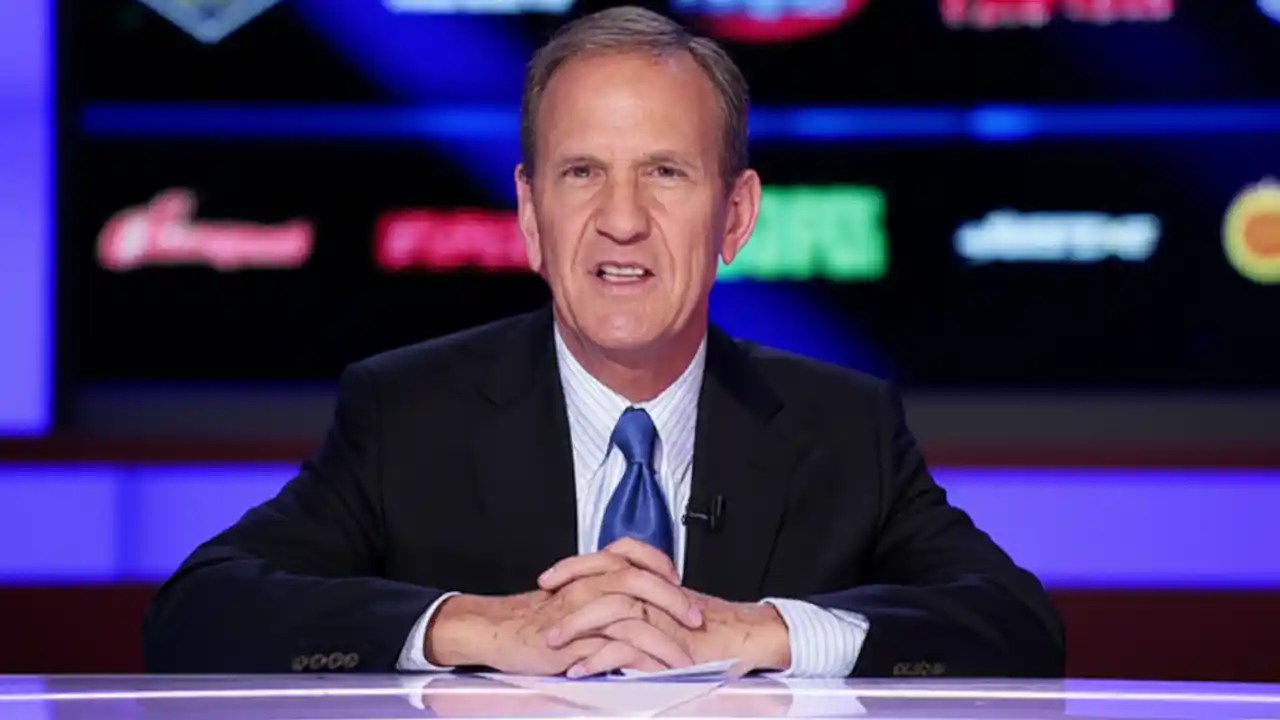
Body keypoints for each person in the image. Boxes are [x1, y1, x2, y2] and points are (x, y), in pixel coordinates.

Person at [142, 6, 1064, 679]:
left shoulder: (841, 425)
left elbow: (1018, 628)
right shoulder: (407, 410)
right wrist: (473, 627)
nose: (621, 221)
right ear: (531, 215)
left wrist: (762, 634)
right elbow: (196, 614)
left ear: (734, 216)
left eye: (665, 172)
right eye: (582, 173)